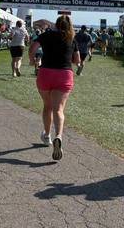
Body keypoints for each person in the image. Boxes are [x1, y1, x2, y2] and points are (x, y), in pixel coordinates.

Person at [28, 15, 81, 161]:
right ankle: (58, 136)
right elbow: (77, 61)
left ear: (56, 24)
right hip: (64, 74)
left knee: (47, 107)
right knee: (59, 109)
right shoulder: (72, 39)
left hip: (46, 73)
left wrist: (32, 60)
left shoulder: (46, 35)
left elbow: (32, 48)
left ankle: (46, 135)